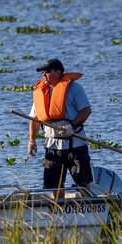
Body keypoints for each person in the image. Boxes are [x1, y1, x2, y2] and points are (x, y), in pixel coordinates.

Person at [27, 57, 93, 189]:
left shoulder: (75, 89)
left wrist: (72, 126)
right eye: (42, 73)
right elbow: (34, 119)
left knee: (83, 184)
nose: (43, 75)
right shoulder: (41, 91)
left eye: (46, 72)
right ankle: (55, 208)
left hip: (76, 146)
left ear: (57, 72)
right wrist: (32, 141)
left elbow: (86, 111)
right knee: (51, 188)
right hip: (52, 147)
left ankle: (91, 206)